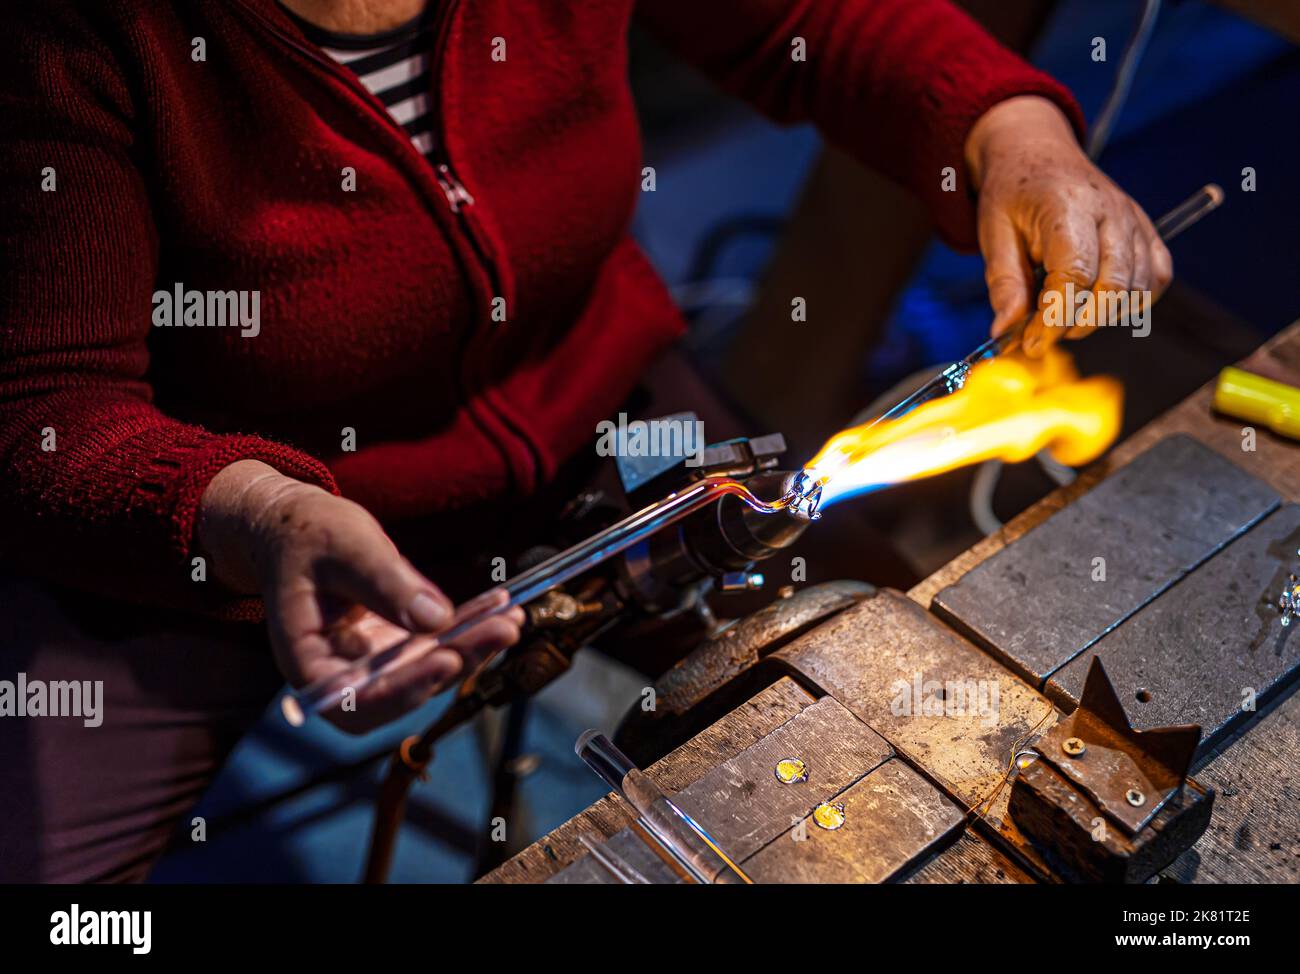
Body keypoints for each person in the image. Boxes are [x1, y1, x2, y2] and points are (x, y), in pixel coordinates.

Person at [0, 0, 1171, 881]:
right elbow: (46, 409)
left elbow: (804, 22)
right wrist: (248, 517)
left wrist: (1009, 128)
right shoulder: (73, 38)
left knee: (921, 682)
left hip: (597, 403)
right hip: (229, 518)